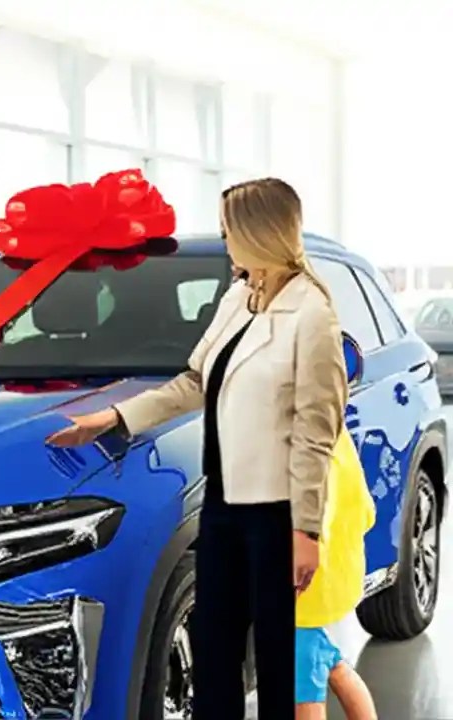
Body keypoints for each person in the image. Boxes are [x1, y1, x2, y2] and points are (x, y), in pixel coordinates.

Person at [47, 178, 347, 719]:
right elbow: (195, 381)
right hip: (223, 504)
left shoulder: (312, 315)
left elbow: (315, 430)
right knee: (214, 651)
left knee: (276, 660)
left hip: (277, 513)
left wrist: (305, 531)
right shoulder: (239, 298)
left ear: (259, 231)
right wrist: (114, 418)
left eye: (230, 229)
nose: (226, 239)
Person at [295, 432, 378, 720]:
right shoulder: (336, 437)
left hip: (305, 591)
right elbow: (367, 512)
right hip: (336, 576)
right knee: (332, 663)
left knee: (304, 687)